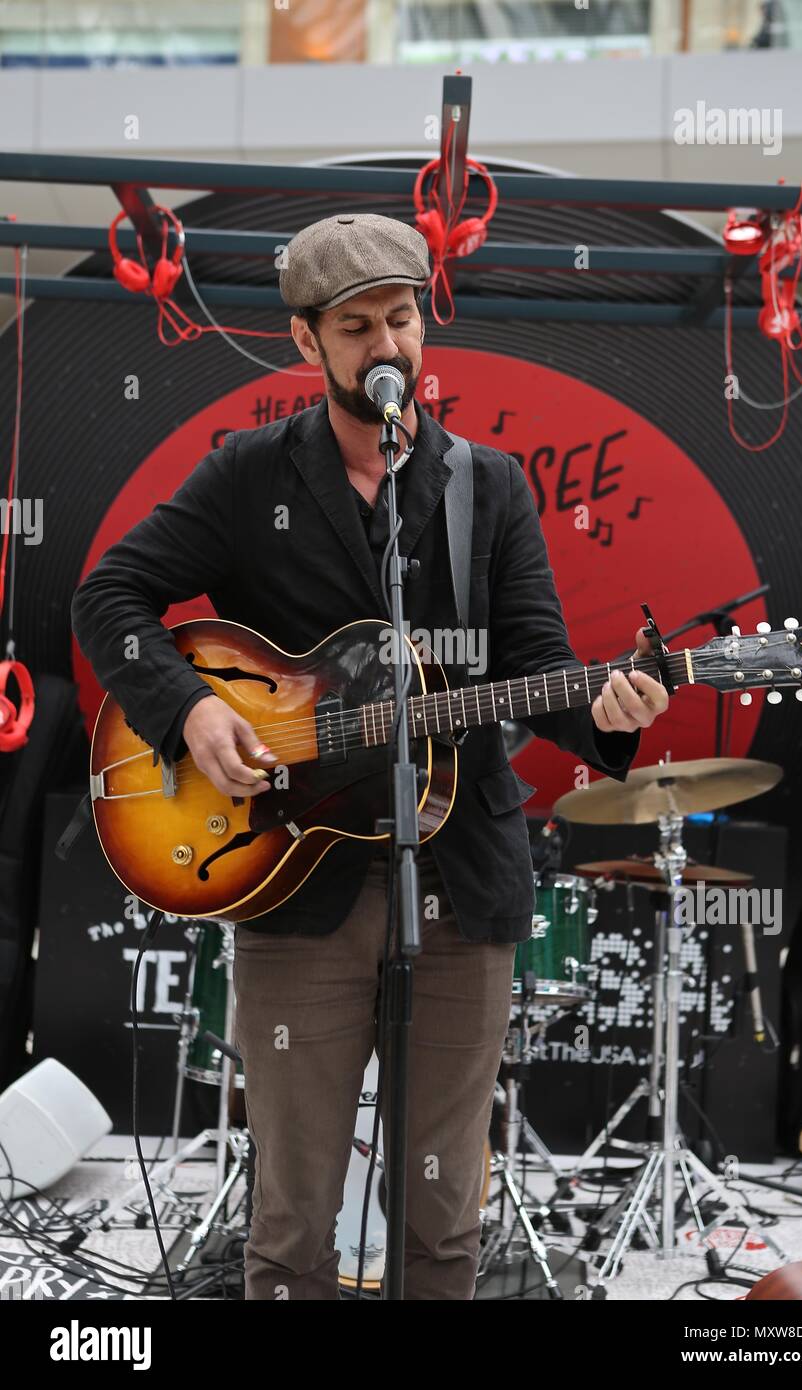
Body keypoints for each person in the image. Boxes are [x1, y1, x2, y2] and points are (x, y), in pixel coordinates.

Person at [71, 212, 670, 1300]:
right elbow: (107, 594)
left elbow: (537, 663)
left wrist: (613, 710)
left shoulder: (484, 487)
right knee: (291, 1224)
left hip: (460, 887)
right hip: (295, 889)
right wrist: (191, 714)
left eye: (401, 319)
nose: (386, 346)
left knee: (440, 1224)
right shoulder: (247, 474)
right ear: (307, 343)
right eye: (356, 327)